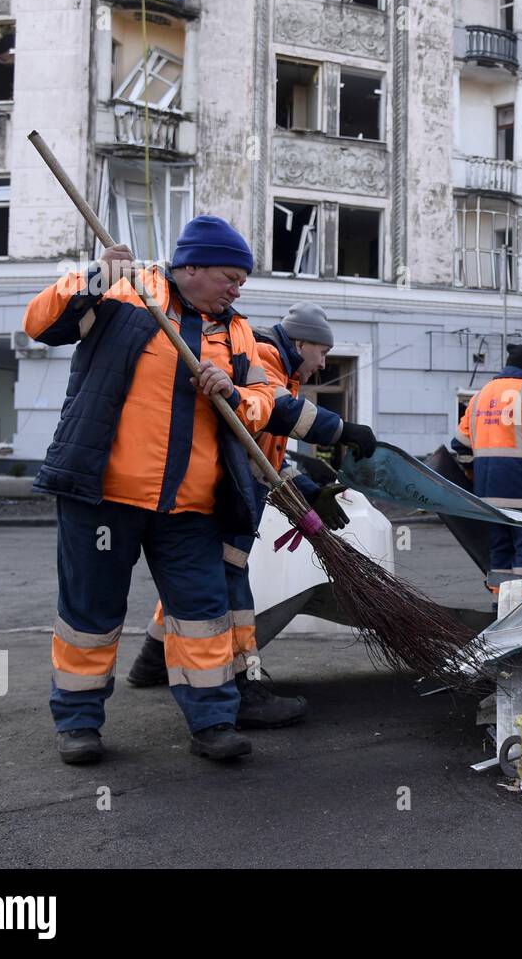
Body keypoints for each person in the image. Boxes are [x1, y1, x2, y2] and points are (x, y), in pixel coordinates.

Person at [24, 216, 277, 764]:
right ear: (191, 266)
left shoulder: (236, 332)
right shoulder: (126, 291)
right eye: (230, 276)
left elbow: (263, 404)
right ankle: (78, 724)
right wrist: (95, 275)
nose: (238, 288)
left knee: (202, 616)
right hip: (102, 498)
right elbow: (40, 324)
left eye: (242, 280)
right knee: (90, 614)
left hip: (189, 508)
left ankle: (213, 722)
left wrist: (233, 395)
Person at [128, 302, 378, 728]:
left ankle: (151, 662)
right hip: (223, 492)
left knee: (202, 581)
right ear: (301, 343)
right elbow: (280, 412)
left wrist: (309, 493)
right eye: (322, 353)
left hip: (231, 487)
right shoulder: (264, 357)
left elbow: (267, 454)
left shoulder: (284, 368)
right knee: (230, 588)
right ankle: (244, 688)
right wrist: (343, 430)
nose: (322, 364)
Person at [453, 343, 522, 586]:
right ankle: (521, 608)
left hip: (489, 493)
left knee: (500, 549)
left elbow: (461, 444)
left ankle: (500, 608)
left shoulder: (481, 395)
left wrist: (474, 474)